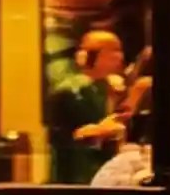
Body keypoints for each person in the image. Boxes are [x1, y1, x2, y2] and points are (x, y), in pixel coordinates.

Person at [46, 30, 127, 184]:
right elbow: (60, 138)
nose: (119, 57)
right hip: (79, 175)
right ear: (89, 56)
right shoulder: (68, 91)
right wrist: (97, 131)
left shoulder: (113, 88)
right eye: (112, 51)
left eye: (119, 51)